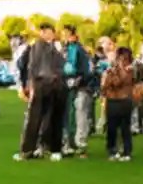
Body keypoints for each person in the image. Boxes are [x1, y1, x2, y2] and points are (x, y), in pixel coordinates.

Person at [15, 23, 67, 162]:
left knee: (53, 118)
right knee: (35, 118)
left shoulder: (57, 47)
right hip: (41, 84)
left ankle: (49, 148)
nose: (47, 34)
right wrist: (29, 85)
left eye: (49, 31)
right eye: (45, 31)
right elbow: (30, 66)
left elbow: (62, 65)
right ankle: (29, 149)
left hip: (55, 85)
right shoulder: (37, 46)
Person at [61, 25, 93, 158]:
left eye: (67, 34)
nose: (65, 37)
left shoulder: (80, 50)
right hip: (66, 86)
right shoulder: (65, 49)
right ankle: (68, 143)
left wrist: (77, 81)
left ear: (74, 35)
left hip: (81, 87)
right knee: (68, 115)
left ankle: (80, 144)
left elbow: (86, 70)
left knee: (80, 115)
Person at [101, 46, 135, 162]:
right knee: (111, 127)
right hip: (112, 100)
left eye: (124, 58)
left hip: (125, 100)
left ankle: (127, 151)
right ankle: (112, 150)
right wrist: (111, 74)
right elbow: (105, 86)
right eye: (119, 58)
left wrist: (118, 71)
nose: (121, 61)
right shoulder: (111, 70)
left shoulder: (130, 71)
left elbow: (118, 82)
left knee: (125, 127)